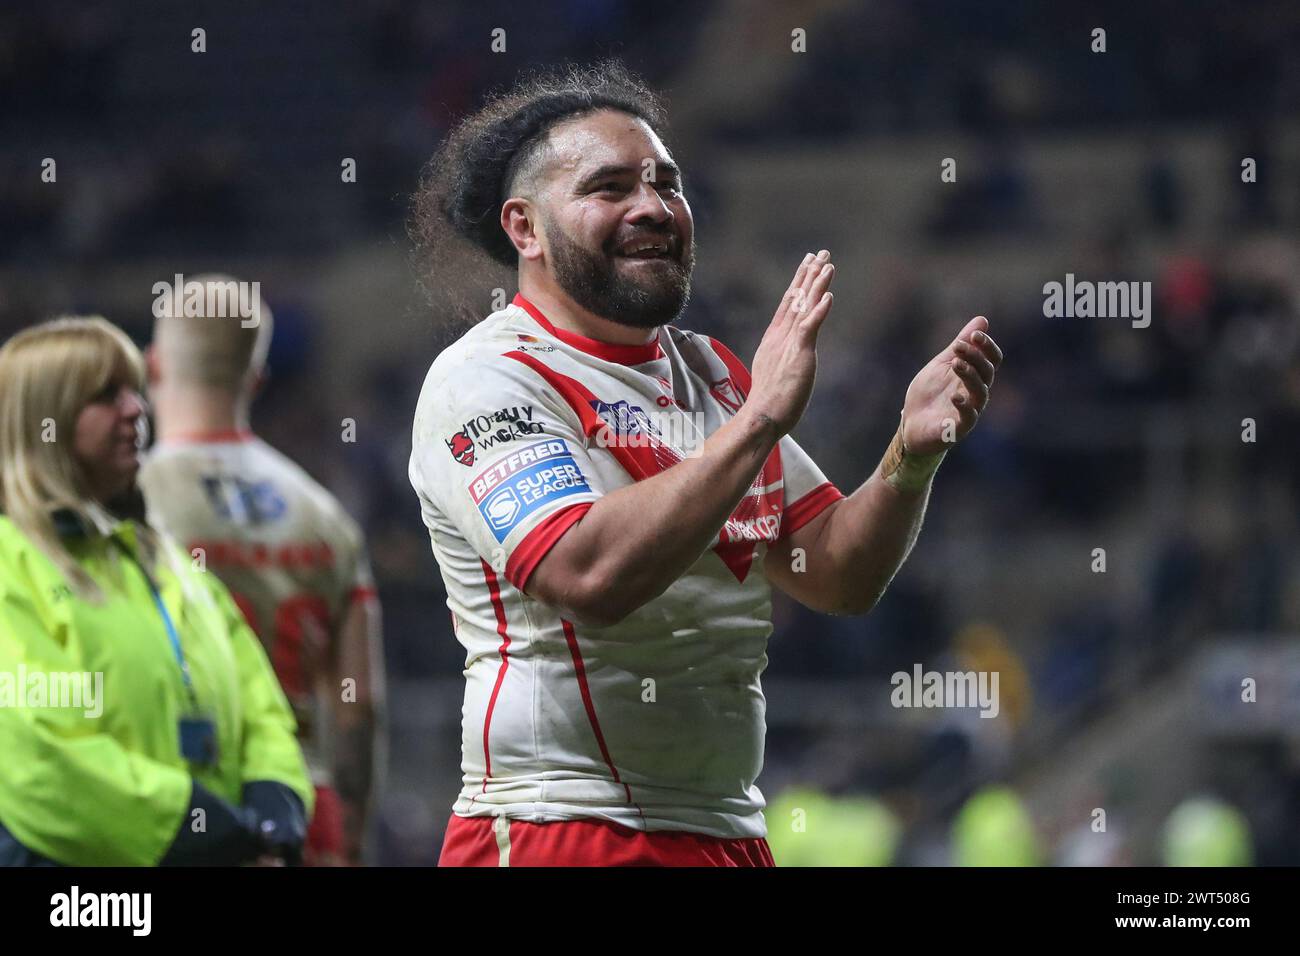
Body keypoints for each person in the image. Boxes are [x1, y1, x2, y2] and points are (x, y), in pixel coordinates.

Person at [408, 61, 1003, 866]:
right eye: (609, 187)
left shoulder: (712, 375)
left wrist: (909, 454)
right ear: (525, 229)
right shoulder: (488, 378)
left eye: (667, 183)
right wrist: (758, 421)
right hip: (560, 826)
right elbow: (588, 572)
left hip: (724, 831)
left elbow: (837, 573)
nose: (652, 207)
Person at [0, 316, 312, 866]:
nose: (136, 409)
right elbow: (41, 755)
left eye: (134, 390)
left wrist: (274, 799)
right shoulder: (10, 565)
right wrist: (212, 834)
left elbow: (261, 705)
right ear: (42, 421)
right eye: (105, 396)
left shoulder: (164, 560)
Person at [138, 276, 385, 866]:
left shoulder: (130, 505)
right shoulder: (325, 516)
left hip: (181, 800)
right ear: (256, 378)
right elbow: (359, 705)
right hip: (303, 802)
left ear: (153, 367)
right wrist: (347, 837)